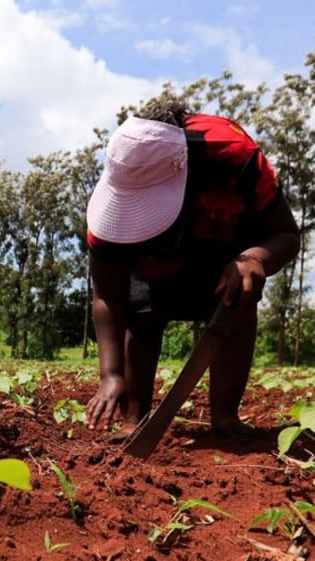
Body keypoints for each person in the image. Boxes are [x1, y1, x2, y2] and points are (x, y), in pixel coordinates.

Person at [85, 102, 300, 440]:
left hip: (221, 257)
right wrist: (111, 375)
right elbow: (108, 296)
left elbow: (286, 234)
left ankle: (225, 419)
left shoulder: (233, 155)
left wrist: (254, 258)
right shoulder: (113, 202)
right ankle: (134, 420)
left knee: (238, 297)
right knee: (141, 311)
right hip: (151, 270)